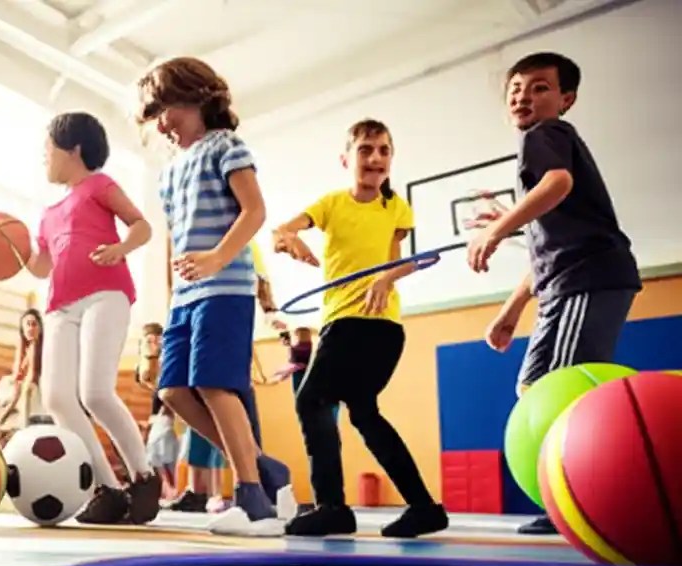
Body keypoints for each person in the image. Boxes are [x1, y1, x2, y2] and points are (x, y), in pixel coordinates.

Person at [465, 52, 640, 535]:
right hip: (571, 281)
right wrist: (512, 308)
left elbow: (558, 184)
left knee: (557, 391)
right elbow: (546, 247)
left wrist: (498, 229)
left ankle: (578, 500)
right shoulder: (543, 154)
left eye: (540, 87)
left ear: (566, 100)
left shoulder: (546, 137)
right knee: (536, 388)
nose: (524, 95)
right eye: (516, 88)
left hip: (587, 277)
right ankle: (578, 495)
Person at [271, 118, 448, 538]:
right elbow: (282, 230)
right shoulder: (331, 204)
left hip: (368, 324)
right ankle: (424, 507)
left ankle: (332, 506)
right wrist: (288, 239)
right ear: (346, 158)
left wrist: (385, 278)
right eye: (366, 150)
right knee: (364, 413)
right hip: (351, 324)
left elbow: (403, 259)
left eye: (384, 151)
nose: (375, 158)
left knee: (310, 402)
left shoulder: (395, 207)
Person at [135, 57, 282, 536]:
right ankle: (262, 467)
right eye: (153, 113)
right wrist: (172, 293)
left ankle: (254, 499)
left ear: (197, 96)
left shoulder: (226, 146)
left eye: (165, 108)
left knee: (217, 386)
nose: (161, 122)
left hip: (226, 287)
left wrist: (218, 256)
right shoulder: (169, 172)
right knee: (174, 390)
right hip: (186, 297)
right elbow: (175, 240)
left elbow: (255, 211)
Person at [24, 111, 157, 525]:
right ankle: (109, 489)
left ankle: (144, 477)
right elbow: (41, 267)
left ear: (73, 149)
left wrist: (121, 249)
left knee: (95, 392)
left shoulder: (99, 185)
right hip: (60, 306)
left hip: (105, 294)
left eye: (47, 150)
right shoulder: (47, 214)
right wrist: (9, 245)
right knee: (58, 397)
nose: (42, 158)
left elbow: (142, 225)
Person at [135, 322, 179, 502]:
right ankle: (168, 488)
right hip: (158, 416)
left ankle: (170, 488)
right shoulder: (145, 366)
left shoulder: (167, 360)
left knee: (158, 453)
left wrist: (162, 415)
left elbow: (166, 392)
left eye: (157, 340)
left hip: (168, 414)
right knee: (159, 453)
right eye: (149, 340)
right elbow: (154, 392)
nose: (153, 344)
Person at [0, 308, 46, 443]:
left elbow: (29, 381)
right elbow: (18, 383)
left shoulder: (40, 349)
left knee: (27, 389)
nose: (31, 328)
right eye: (28, 325)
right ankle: (1, 423)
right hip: (22, 395)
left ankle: (22, 429)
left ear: (40, 328)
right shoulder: (24, 352)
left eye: (34, 324)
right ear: (22, 329)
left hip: (36, 396)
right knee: (6, 382)